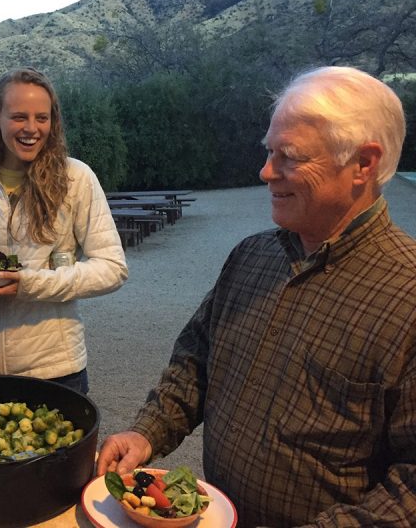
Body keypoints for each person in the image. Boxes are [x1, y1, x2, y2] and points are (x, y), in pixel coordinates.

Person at [96, 66, 416, 526]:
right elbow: (195, 361)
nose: (266, 172)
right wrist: (148, 432)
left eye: (289, 157)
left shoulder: (406, 292)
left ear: (363, 164)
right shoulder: (252, 256)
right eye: (269, 152)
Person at [0, 67, 128, 393]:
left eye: (42, 117)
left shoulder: (76, 178)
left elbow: (112, 269)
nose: (32, 128)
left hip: (56, 370)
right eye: (19, 117)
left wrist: (29, 284)